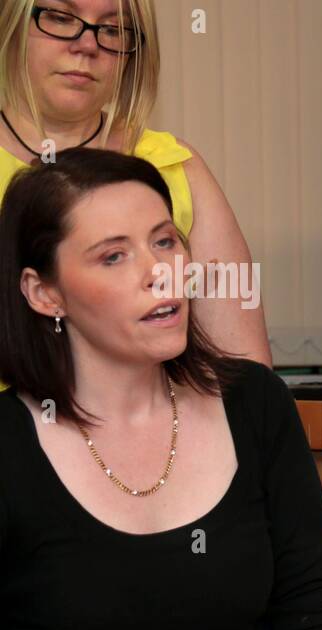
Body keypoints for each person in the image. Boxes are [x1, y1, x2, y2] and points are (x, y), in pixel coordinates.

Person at [0, 148, 322, 630]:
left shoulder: (253, 404)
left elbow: (318, 615)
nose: (159, 271)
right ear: (43, 292)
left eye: (165, 241)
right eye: (113, 256)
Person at [0, 0, 270, 372]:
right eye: (60, 18)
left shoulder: (176, 166)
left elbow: (245, 374)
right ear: (10, 23)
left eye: (113, 29)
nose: (87, 45)